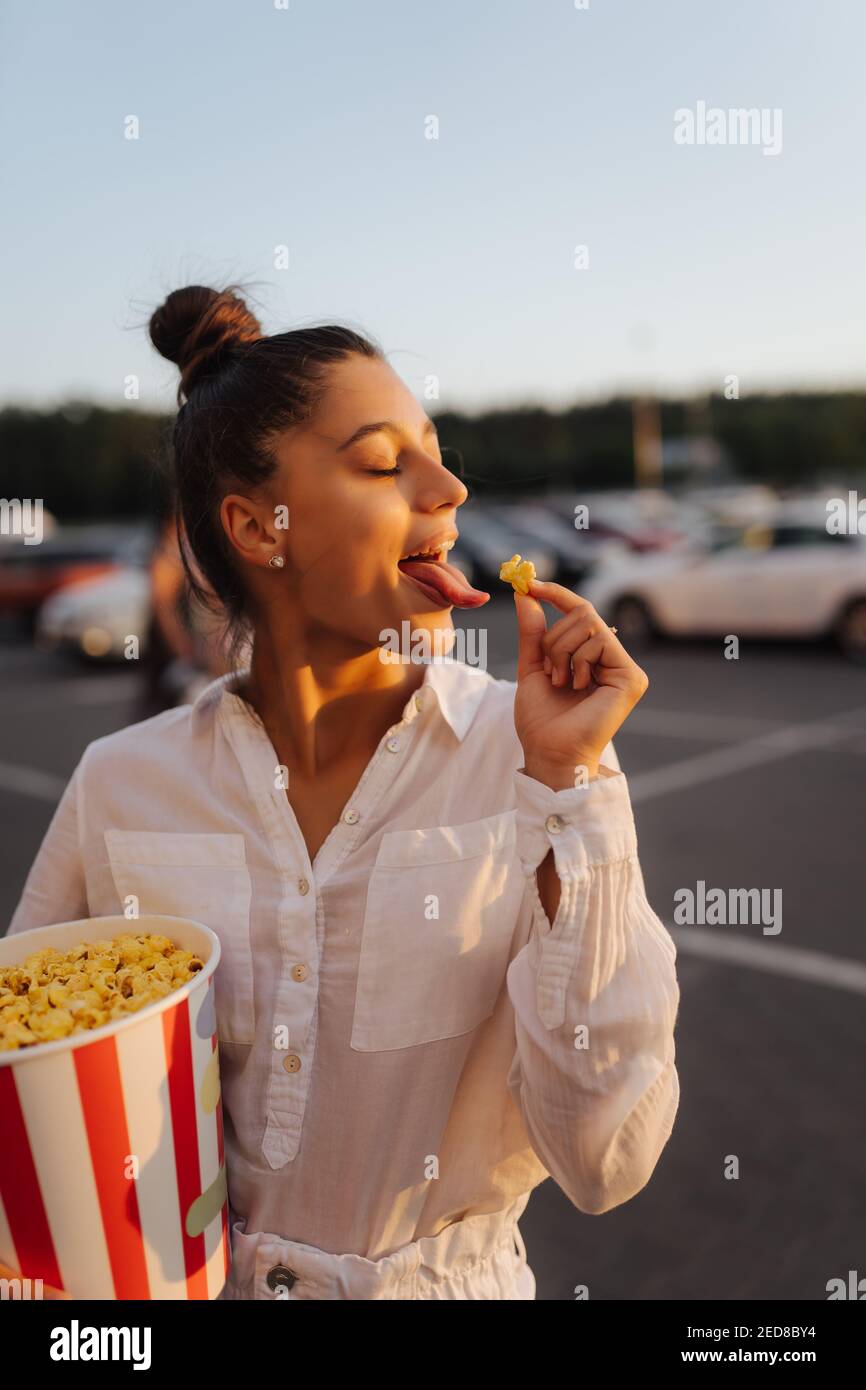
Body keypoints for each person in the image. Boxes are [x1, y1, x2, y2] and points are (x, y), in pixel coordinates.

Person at [3, 285, 680, 1301]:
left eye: (438, 450)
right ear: (256, 526)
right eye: (381, 463)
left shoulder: (533, 759)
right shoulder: (121, 783)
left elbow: (605, 1161)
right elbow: (29, 1102)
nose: (449, 487)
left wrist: (568, 791)